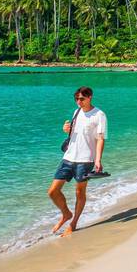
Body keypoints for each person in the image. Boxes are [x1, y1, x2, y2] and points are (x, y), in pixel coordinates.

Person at [49, 86, 106, 235]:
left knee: (79, 192)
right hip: (68, 157)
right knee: (53, 191)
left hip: (85, 159)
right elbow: (75, 133)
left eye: (81, 98)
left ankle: (73, 223)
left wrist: (98, 160)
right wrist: (66, 129)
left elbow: (100, 139)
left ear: (90, 97)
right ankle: (66, 214)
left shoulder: (99, 115)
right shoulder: (77, 112)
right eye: (76, 99)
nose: (78, 102)